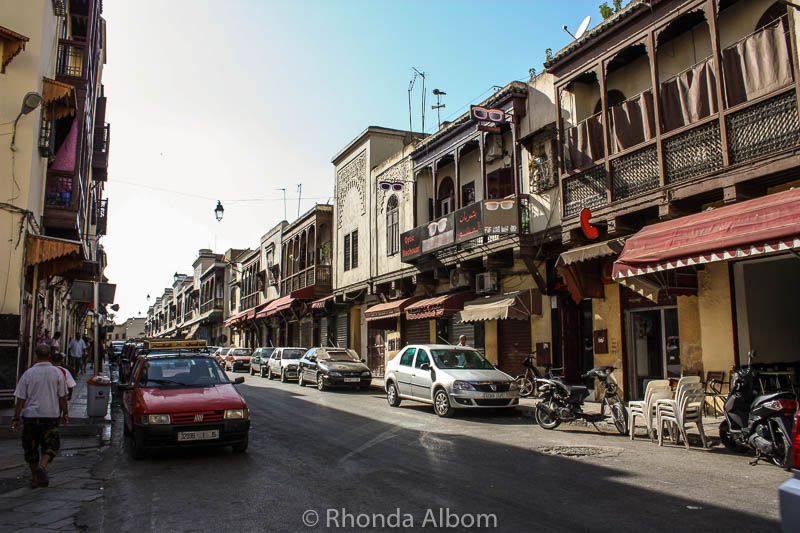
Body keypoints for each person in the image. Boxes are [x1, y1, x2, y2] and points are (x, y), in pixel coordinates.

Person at [11, 344, 69, 488]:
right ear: (49, 356)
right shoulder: (57, 373)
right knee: (52, 444)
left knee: (31, 447)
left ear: (36, 356)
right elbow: (62, 397)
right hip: (51, 415)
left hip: (31, 416)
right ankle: (42, 466)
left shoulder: (28, 374)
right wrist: (66, 413)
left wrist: (16, 417)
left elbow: (20, 399)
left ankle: (35, 478)